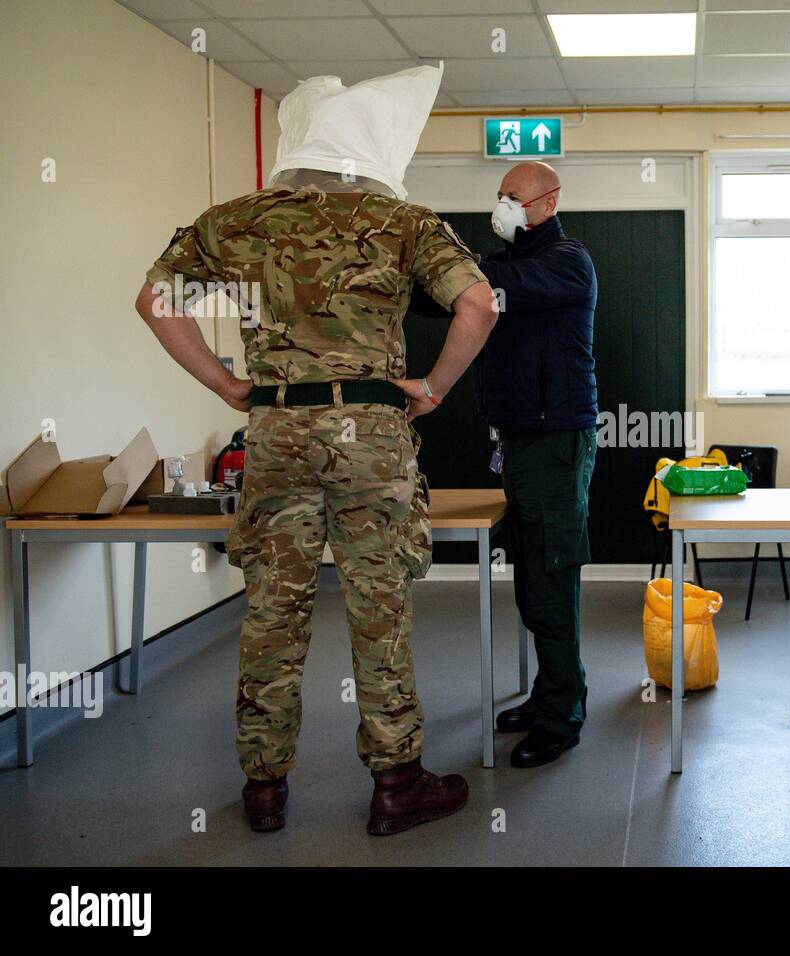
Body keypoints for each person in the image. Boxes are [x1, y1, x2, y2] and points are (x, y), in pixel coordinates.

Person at [134, 66, 499, 836]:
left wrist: (226, 384)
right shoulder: (404, 220)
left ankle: (264, 787)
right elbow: (477, 303)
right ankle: (397, 782)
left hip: (273, 432)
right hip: (370, 435)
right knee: (380, 604)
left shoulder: (238, 219)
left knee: (272, 608)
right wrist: (431, 385)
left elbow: (154, 300)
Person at [476, 161, 599, 768]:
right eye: (500, 196)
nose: (503, 206)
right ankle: (552, 690)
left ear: (548, 203)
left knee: (552, 579)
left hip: (556, 442)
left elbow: (499, 287)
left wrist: (458, 273)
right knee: (530, 578)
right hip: (522, 442)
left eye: (514, 197)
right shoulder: (504, 264)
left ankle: (562, 713)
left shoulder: (566, 261)